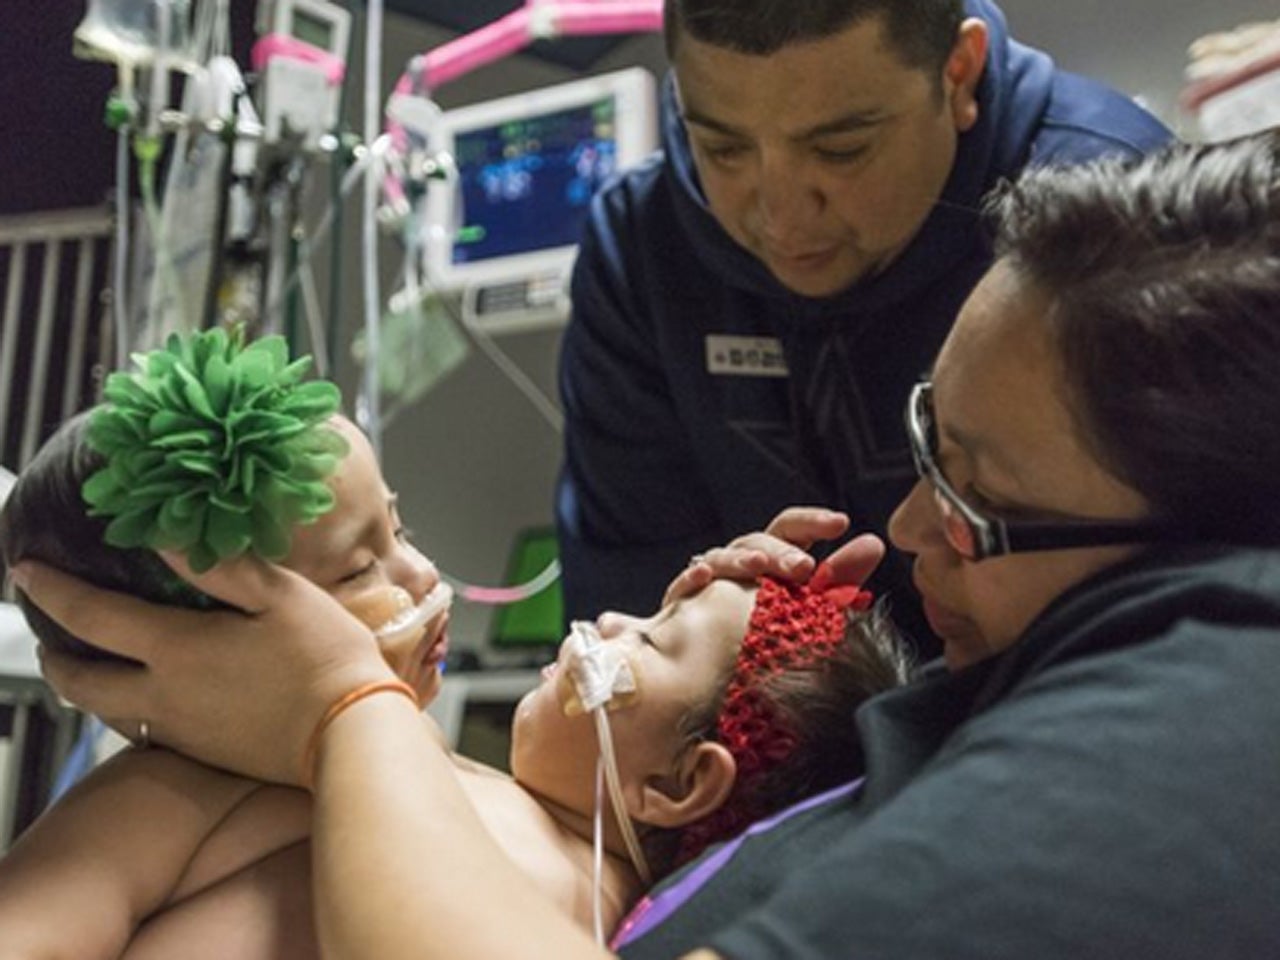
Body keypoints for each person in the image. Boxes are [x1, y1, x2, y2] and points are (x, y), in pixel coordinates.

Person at [19, 131, 1280, 959]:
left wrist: (340, 706)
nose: (901, 530)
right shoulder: (244, 791)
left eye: (973, 494)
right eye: (920, 443)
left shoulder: (1208, 735)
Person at [0, 333, 909, 958]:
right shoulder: (196, 787)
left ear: (679, 785)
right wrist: (685, 649)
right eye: (363, 564)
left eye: (654, 634)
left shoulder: (623, 908)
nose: (422, 577)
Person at [555, 0, 1174, 653]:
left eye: (841, 149)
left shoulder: (1118, 217)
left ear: (958, 73)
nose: (782, 218)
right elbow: (629, 624)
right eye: (722, 146)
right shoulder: (641, 249)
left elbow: (1177, 628)